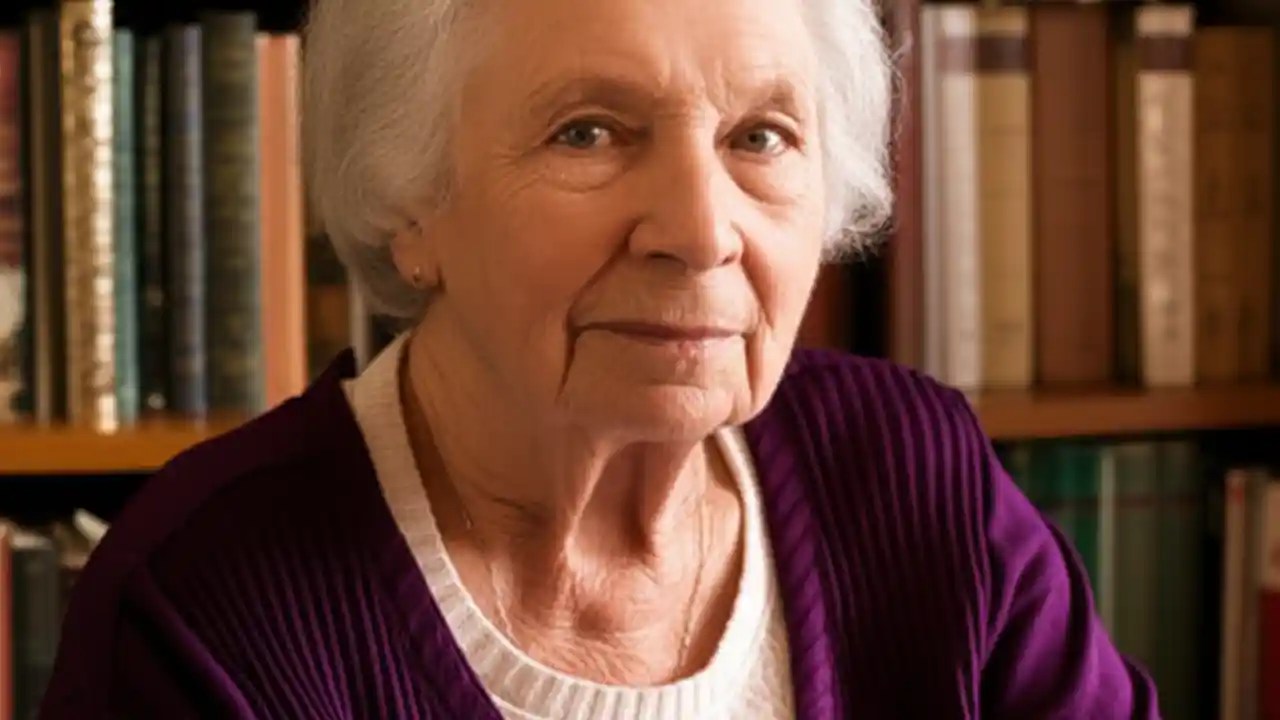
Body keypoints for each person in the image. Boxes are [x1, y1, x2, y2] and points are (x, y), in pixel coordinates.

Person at [41, 0, 1159, 716]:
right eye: (588, 132)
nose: (699, 228)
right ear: (409, 203)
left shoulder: (915, 474)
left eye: (758, 137)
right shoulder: (208, 607)